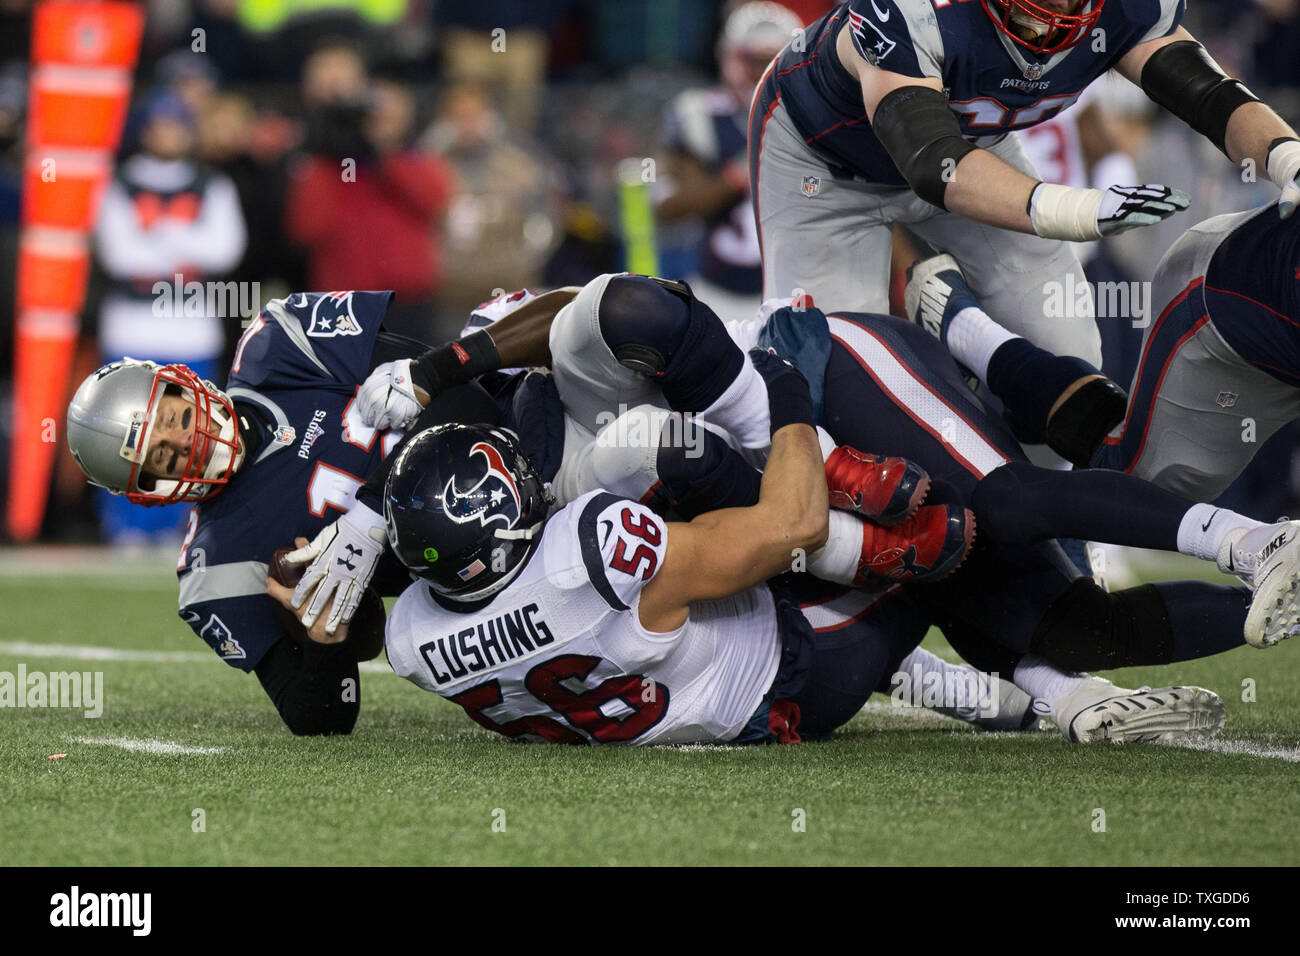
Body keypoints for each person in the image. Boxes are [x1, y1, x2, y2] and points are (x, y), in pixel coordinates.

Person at [358, 380, 1224, 746]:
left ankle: (956, 685)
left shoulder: (411, 637)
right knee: (945, 542)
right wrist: (787, 406)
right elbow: (792, 527)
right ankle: (1057, 683)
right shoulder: (586, 552)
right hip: (798, 669)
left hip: (676, 689)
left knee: (695, 485)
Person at [749, 0, 1300, 367]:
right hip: (823, 160)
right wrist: (1082, 210)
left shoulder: (1128, 9)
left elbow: (1212, 96)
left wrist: (1286, 158)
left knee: (1068, 349)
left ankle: (1034, 526)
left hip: (975, 146)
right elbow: (930, 161)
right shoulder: (919, 10)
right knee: (837, 373)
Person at [63, 290, 500, 735]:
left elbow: (458, 392)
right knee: (419, 650)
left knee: (508, 315)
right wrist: (326, 637)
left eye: (173, 417)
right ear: (151, 489)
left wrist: (369, 513)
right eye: (163, 458)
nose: (183, 441)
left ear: (181, 385)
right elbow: (320, 717)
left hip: (514, 443)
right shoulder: (215, 569)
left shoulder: (277, 344)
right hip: (477, 585)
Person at [92, 90, 247, 545]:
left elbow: (226, 248)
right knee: (126, 426)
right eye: (159, 125)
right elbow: (119, 254)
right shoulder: (117, 181)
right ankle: (126, 523)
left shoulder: (212, 183)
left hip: (192, 327)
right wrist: (186, 246)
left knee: (191, 430)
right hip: (131, 324)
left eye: (176, 124)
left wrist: (159, 236)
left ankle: (180, 522)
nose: (168, 134)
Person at [656, 2, 803, 324]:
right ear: (730, 58)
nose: (765, 73)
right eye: (755, 61)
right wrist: (736, 177)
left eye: (776, 61)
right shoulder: (699, 114)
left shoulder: (817, 117)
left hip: (800, 291)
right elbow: (664, 204)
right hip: (717, 291)